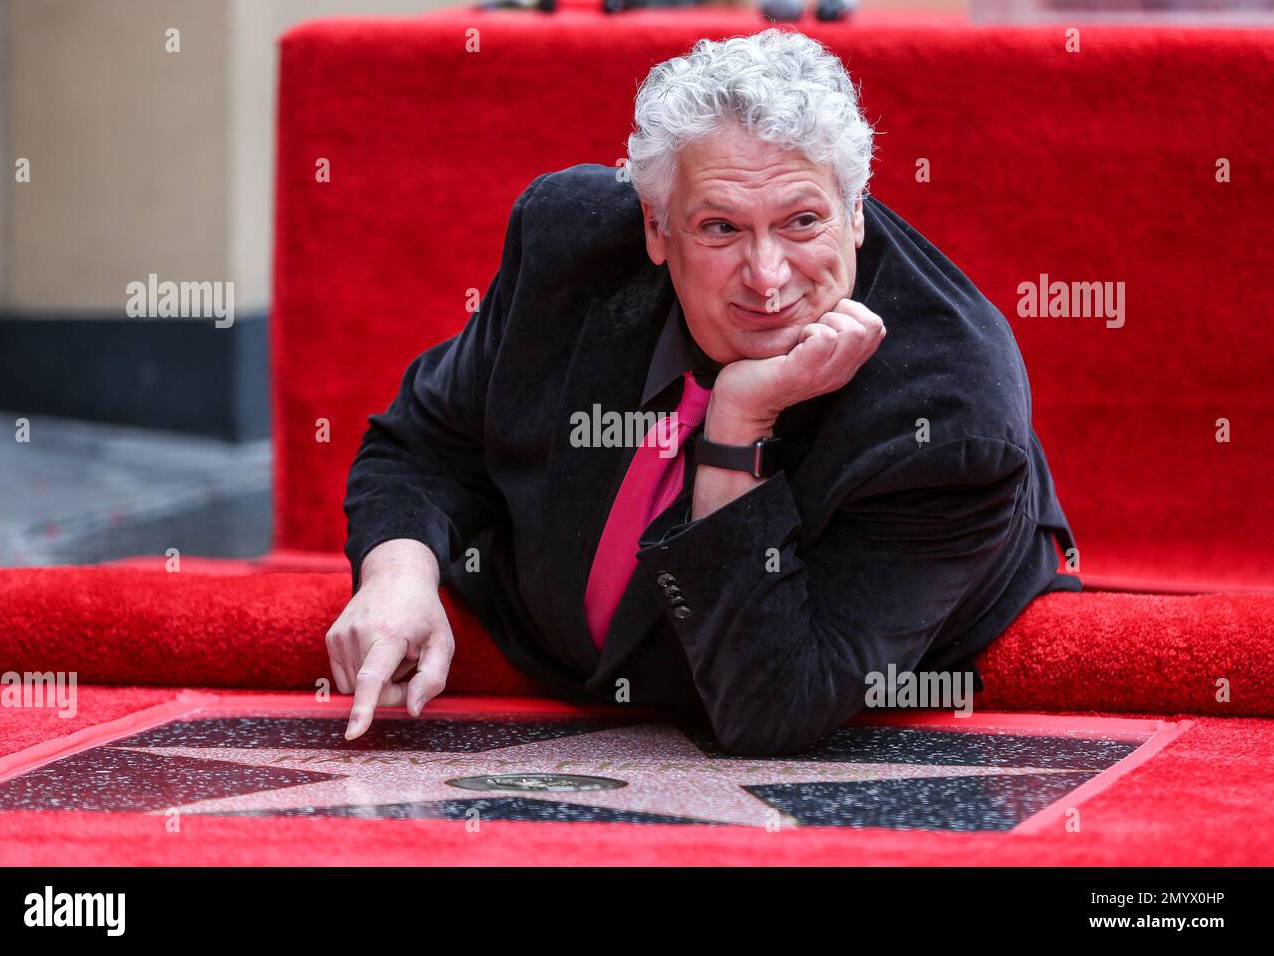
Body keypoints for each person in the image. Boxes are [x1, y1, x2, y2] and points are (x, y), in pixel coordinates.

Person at [326, 28, 1079, 756]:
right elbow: (422, 442)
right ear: (655, 227)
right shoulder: (571, 243)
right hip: (554, 651)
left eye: (802, 221)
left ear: (856, 214)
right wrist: (398, 575)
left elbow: (770, 705)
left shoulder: (947, 415)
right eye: (720, 228)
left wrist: (739, 423)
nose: (768, 276)